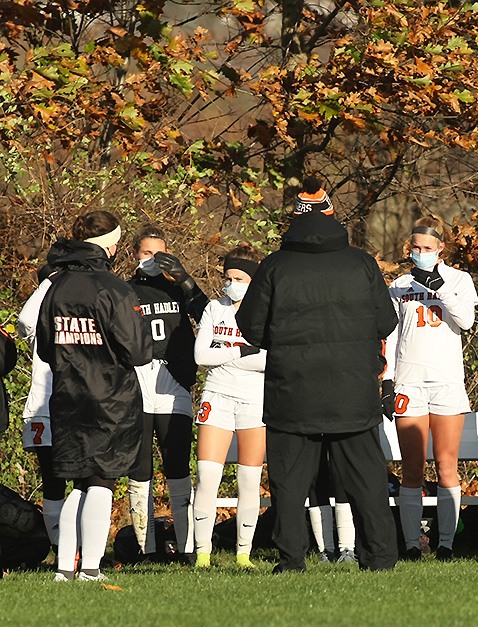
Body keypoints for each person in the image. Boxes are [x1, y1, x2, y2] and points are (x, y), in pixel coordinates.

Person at [236, 208, 399, 573]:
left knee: (290, 483)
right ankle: (380, 557)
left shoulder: (275, 266)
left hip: (292, 391)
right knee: (367, 480)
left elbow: (251, 328)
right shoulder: (362, 263)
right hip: (353, 391)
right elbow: (387, 322)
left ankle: (292, 559)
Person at [37, 211, 152, 581]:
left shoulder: (56, 287)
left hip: (67, 396)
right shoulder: (114, 288)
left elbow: (45, 347)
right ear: (109, 246)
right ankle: (90, 568)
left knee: (78, 482)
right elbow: (138, 351)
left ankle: (64, 569)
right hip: (110, 399)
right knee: (102, 480)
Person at [382, 215, 478, 561]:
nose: (420, 253)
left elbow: (465, 321)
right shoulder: (399, 285)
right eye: (415, 247)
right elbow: (391, 336)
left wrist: (438, 284)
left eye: (427, 247)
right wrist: (388, 381)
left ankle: (446, 544)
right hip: (410, 382)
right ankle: (411, 544)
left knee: (446, 465)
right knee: (412, 468)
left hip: (447, 383)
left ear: (441, 248)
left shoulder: (460, 279)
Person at [126, 224, 209, 562]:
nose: (152, 259)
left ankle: (187, 548)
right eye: (146, 253)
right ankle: (145, 549)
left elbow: (210, 315)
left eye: (159, 254)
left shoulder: (178, 289)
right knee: (139, 468)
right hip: (137, 382)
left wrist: (185, 279)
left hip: (173, 381)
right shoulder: (125, 291)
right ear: (134, 254)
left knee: (177, 465)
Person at [192, 245, 266, 569]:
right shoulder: (213, 308)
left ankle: (243, 554)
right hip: (217, 395)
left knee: (249, 479)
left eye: (239, 279)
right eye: (228, 278)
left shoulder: (266, 310)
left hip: (254, 399)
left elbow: (267, 360)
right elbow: (201, 356)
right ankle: (202, 554)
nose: (231, 284)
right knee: (207, 476)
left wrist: (224, 353)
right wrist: (240, 351)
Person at [17, 261, 65, 546]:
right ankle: (60, 548)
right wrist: (50, 281)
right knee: (52, 479)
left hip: (76, 406)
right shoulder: (39, 317)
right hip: (44, 408)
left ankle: (79, 546)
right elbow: (24, 322)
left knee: (85, 480)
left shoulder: (74, 309)